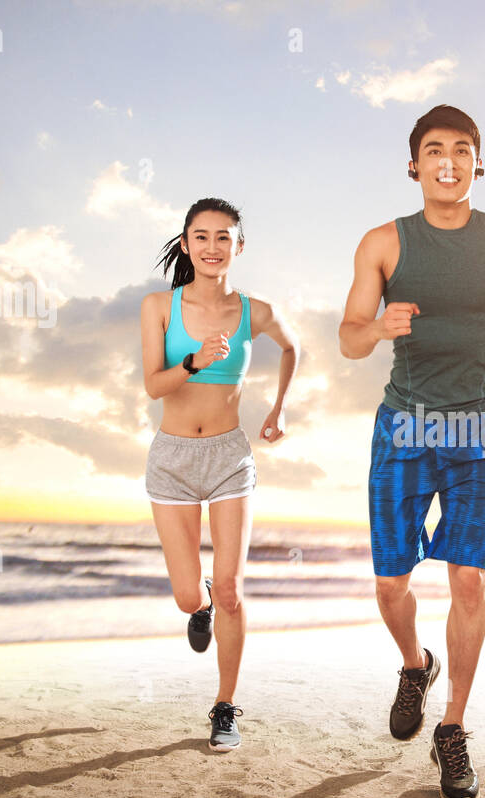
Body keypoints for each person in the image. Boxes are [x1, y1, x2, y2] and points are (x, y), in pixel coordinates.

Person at [338, 105, 485, 798]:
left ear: (477, 163)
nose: (448, 161)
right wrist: (377, 325)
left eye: (462, 149)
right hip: (404, 427)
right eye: (434, 150)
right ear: (415, 164)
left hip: (479, 434)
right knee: (392, 583)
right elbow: (347, 337)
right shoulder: (383, 244)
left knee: (468, 580)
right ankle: (413, 664)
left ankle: (452, 728)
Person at [141, 197, 299, 752]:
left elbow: (292, 347)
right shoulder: (159, 306)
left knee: (233, 587)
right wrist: (193, 362)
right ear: (186, 244)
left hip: (231, 458)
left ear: (239, 245)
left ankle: (225, 705)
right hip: (173, 460)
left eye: (223, 237)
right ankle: (200, 606)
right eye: (201, 237)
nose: (212, 247)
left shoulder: (255, 311)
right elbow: (153, 386)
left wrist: (277, 409)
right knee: (191, 596)